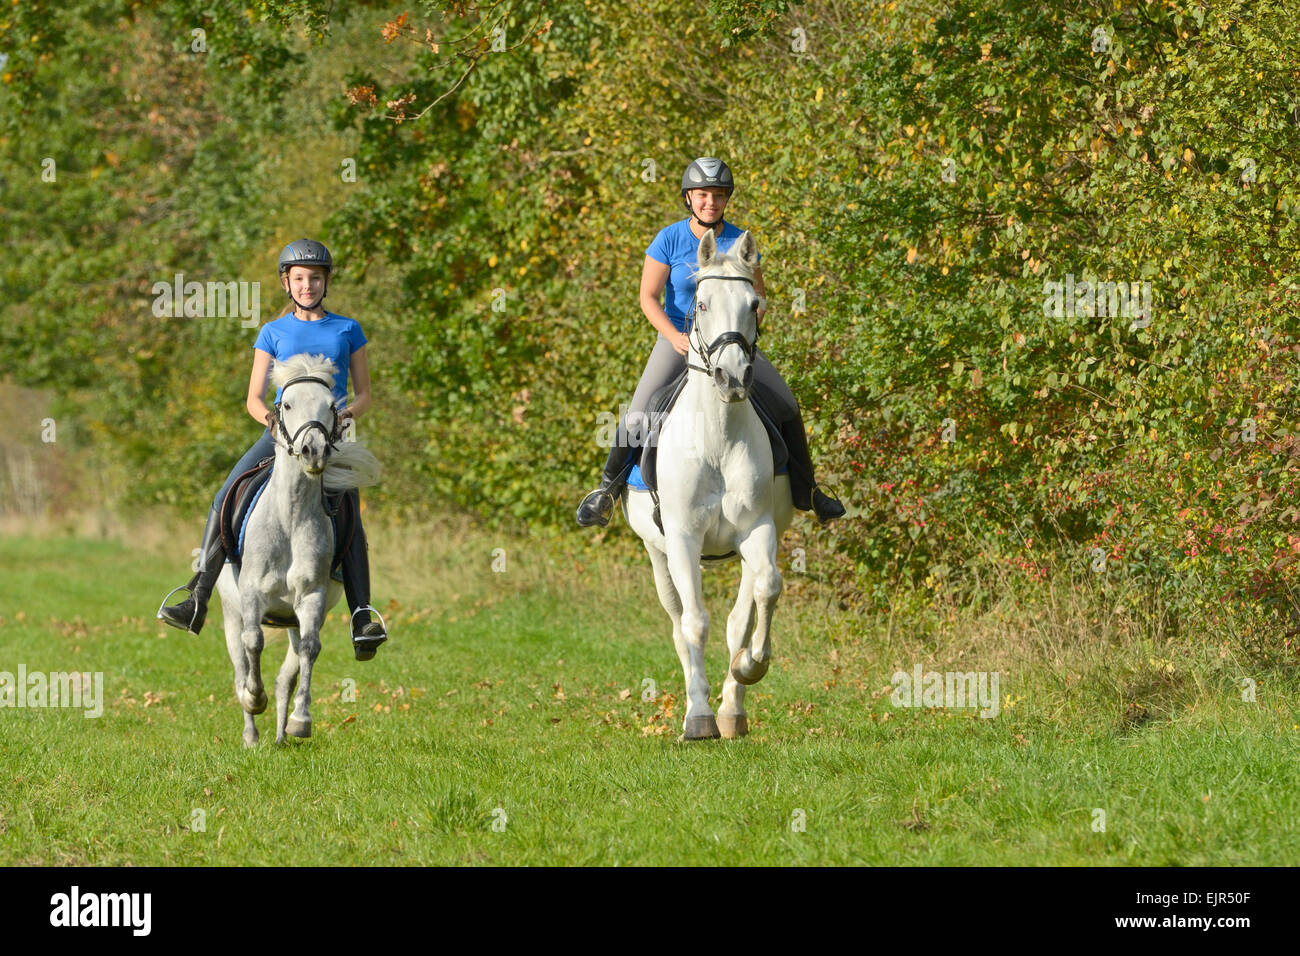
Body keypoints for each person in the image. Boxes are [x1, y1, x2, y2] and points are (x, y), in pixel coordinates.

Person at [576, 157, 845, 528]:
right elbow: (648, 298)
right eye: (702, 195)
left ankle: (809, 490)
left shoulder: (740, 242)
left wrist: (741, 338)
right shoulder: (668, 239)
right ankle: (605, 492)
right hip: (678, 341)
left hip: (730, 343)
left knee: (786, 403)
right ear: (689, 198)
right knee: (638, 413)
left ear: (726, 199)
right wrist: (675, 337)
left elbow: (759, 299)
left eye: (718, 196)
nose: (710, 203)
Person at [157, 239, 389, 662]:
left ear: (325, 282)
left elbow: (365, 394)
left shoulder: (347, 329)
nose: (307, 285)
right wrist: (273, 422)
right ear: (287, 282)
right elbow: (253, 398)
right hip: (280, 433)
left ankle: (361, 615)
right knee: (228, 492)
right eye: (299, 278)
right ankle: (198, 595)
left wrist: (343, 417)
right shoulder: (272, 332)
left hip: (330, 435)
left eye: (315, 278)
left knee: (351, 510)